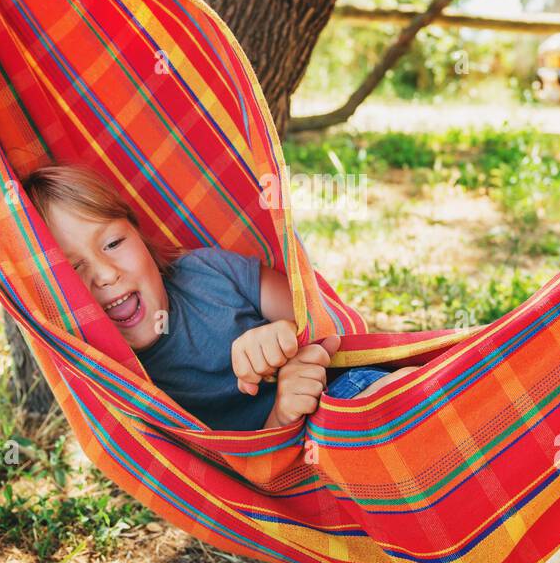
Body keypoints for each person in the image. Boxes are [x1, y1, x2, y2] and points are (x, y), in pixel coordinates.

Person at [21, 164, 419, 431]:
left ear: (140, 236)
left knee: (399, 398)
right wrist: (280, 415)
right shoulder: (117, 384)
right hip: (298, 473)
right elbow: (227, 483)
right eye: (72, 270)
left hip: (347, 393)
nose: (105, 275)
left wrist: (286, 336)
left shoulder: (209, 272)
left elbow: (334, 327)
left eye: (113, 242)